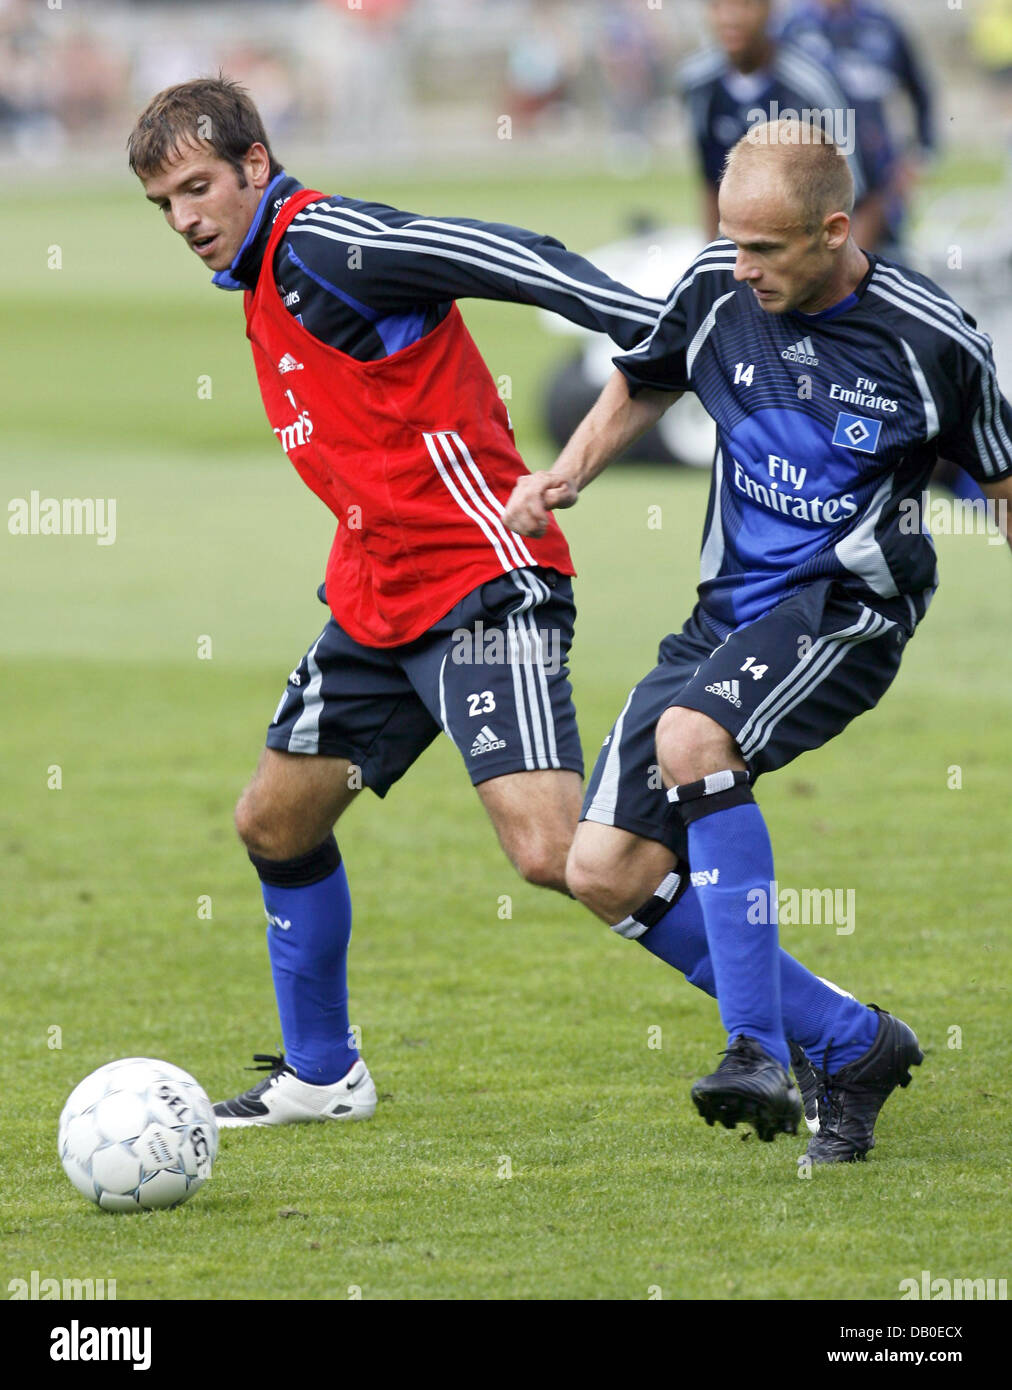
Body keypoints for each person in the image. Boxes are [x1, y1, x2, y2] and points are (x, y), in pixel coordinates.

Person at [128, 76, 661, 1128]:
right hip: (376, 596)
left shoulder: (324, 243)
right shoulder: (262, 270)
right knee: (275, 822)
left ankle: (820, 1034)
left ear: (254, 163)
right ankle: (324, 1075)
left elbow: (495, 251)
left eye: (199, 188)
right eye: (164, 205)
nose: (186, 220)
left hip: (476, 576)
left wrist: (644, 325)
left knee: (558, 856)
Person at [504, 119, 1012, 1161]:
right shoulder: (713, 289)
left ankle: (756, 1048)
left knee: (694, 740)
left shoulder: (932, 341)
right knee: (597, 867)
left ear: (833, 230)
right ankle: (852, 1042)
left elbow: (1001, 479)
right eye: (732, 244)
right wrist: (569, 471)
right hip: (725, 612)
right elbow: (646, 375)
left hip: (846, 612)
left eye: (765, 250)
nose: (741, 269)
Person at [678, 0, 891, 250]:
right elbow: (710, 184)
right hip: (745, 259)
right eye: (718, 6)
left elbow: (864, 197)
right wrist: (714, 266)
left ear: (770, 8)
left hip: (809, 260)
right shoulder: (697, 84)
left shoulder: (813, 85)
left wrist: (841, 283)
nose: (730, 18)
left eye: (744, 5)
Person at [778, 0, 936, 251]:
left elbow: (921, 90)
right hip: (811, 180)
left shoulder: (882, 24)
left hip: (879, 181)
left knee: (881, 272)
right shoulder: (788, 27)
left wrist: (920, 156)